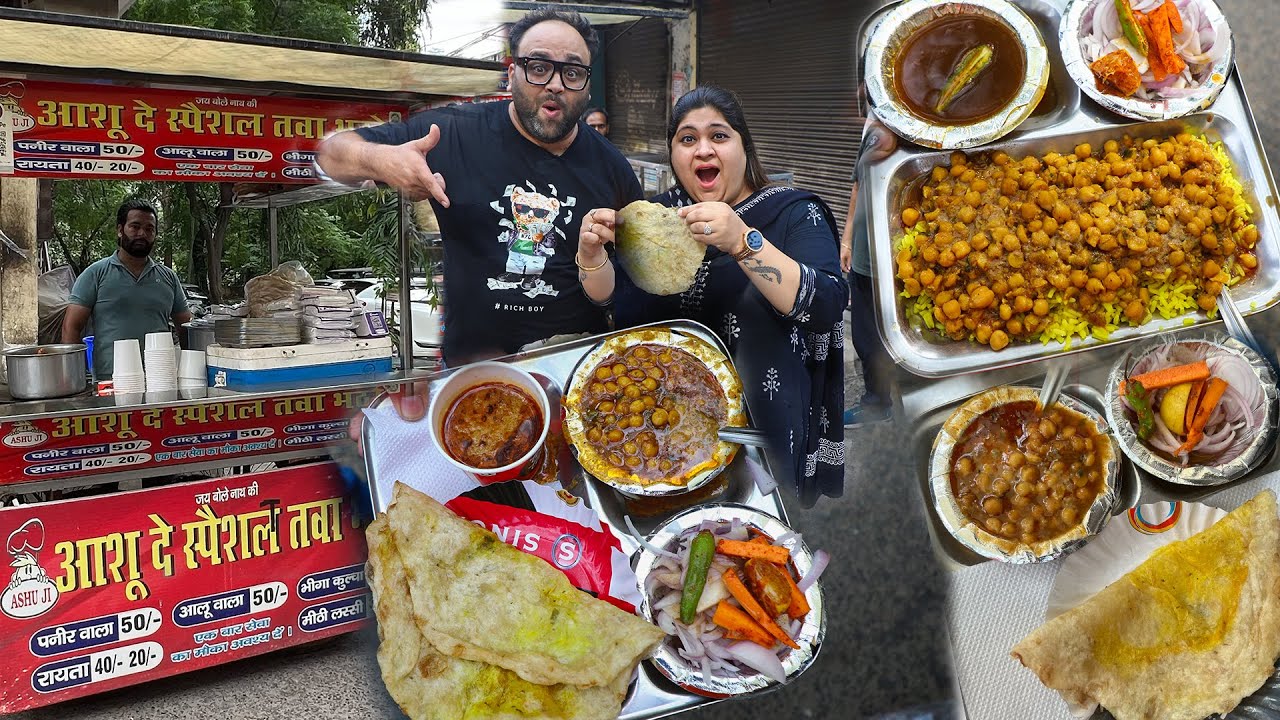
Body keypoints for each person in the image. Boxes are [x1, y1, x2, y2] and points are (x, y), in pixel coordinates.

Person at [316, 7, 641, 367]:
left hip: (574, 376)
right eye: (538, 67)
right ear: (513, 72)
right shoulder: (452, 133)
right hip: (471, 376)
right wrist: (383, 160)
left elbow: (632, 287)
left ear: (587, 83)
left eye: (573, 72)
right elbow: (333, 153)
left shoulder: (612, 169)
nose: (555, 83)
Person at [579, 85, 848, 507]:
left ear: (745, 147)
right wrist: (591, 257)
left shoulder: (792, 212)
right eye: (687, 139)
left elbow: (827, 304)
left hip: (765, 432)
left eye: (719, 136)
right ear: (674, 155)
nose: (703, 150)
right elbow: (617, 304)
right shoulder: (658, 217)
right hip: (658, 428)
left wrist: (743, 241)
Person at [61, 198, 191, 381]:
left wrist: (189, 370)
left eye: (149, 229)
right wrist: (75, 377)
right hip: (109, 381)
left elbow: (186, 328)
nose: (142, 233)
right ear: (120, 230)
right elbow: (71, 327)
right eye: (135, 226)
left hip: (160, 379)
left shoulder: (168, 277)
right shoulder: (95, 274)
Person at [840, 114, 899, 427]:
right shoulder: (872, 129)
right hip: (863, 254)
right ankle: (877, 403)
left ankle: (886, 403)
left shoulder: (915, 134)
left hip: (895, 259)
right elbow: (857, 185)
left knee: (894, 336)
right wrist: (847, 238)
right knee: (865, 337)